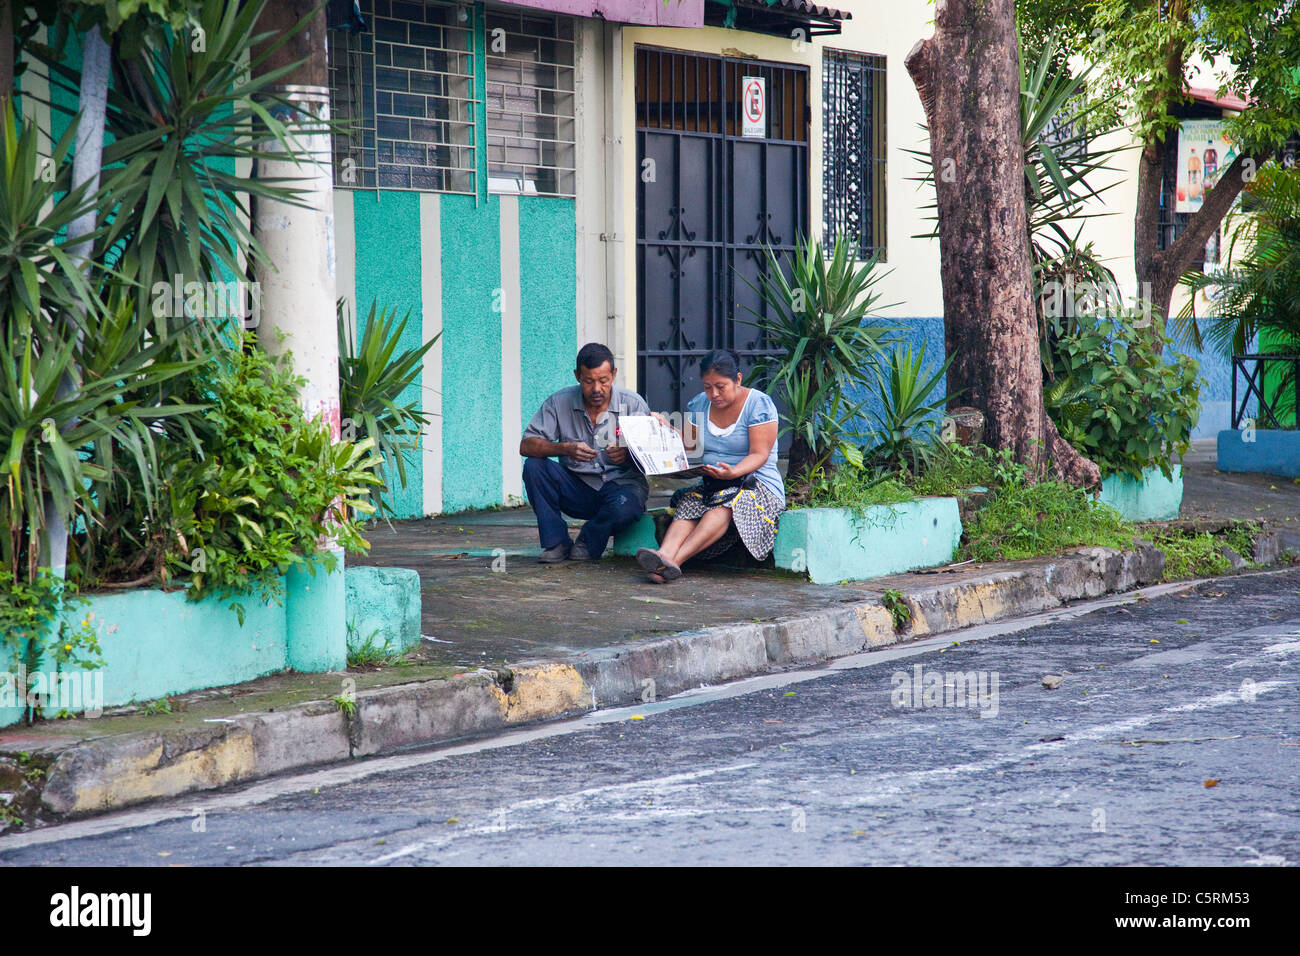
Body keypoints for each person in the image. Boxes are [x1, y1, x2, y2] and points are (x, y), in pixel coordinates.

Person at [634, 348, 786, 583]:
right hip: (715, 482)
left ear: (737, 380)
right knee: (690, 501)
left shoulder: (758, 405)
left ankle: (675, 562)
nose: (713, 394)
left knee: (726, 502)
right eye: (707, 386)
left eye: (720, 386)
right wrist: (664, 427)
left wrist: (733, 472)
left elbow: (760, 454)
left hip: (756, 485)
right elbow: (688, 445)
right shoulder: (699, 405)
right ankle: (663, 555)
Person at [520, 343, 649, 562]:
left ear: (614, 375)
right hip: (577, 488)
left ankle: (588, 542)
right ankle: (557, 542)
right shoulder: (558, 402)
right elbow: (526, 446)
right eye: (589, 381)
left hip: (622, 487)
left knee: (626, 506)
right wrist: (564, 448)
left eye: (603, 381)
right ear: (577, 376)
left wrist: (629, 454)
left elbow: (654, 457)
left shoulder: (633, 404)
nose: (596, 389)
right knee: (534, 466)